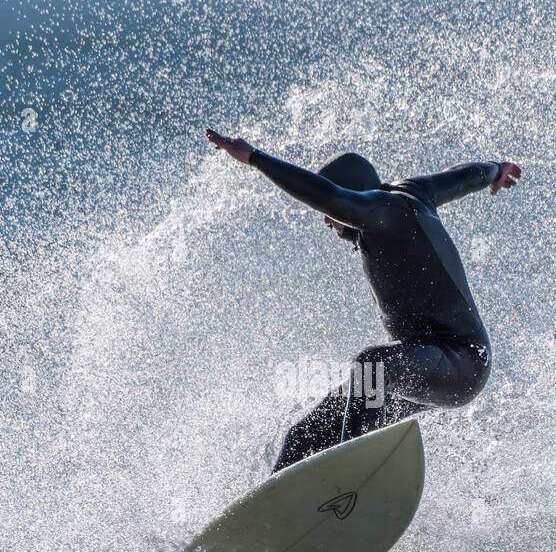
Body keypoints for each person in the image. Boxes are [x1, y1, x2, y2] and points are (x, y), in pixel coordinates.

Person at [205, 128, 521, 472]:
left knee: (372, 365)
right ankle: (276, 510)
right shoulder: (413, 194)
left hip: (462, 363)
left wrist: (254, 157)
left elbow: (325, 196)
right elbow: (461, 177)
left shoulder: (383, 211)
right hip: (414, 366)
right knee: (303, 436)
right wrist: (496, 170)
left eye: (333, 212)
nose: (327, 221)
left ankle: (354, 476)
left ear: (354, 197)